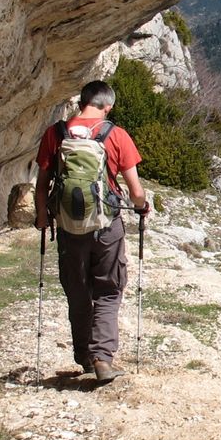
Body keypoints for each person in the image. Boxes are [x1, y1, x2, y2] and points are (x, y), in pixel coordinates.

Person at [34, 80, 150, 381]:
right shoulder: (116, 135)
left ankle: (84, 356)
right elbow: (135, 191)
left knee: (77, 291)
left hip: (69, 228)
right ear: (107, 106)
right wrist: (142, 207)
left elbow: (42, 181)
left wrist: (42, 217)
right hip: (106, 226)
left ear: (81, 101)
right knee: (109, 291)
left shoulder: (55, 134)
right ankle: (102, 358)